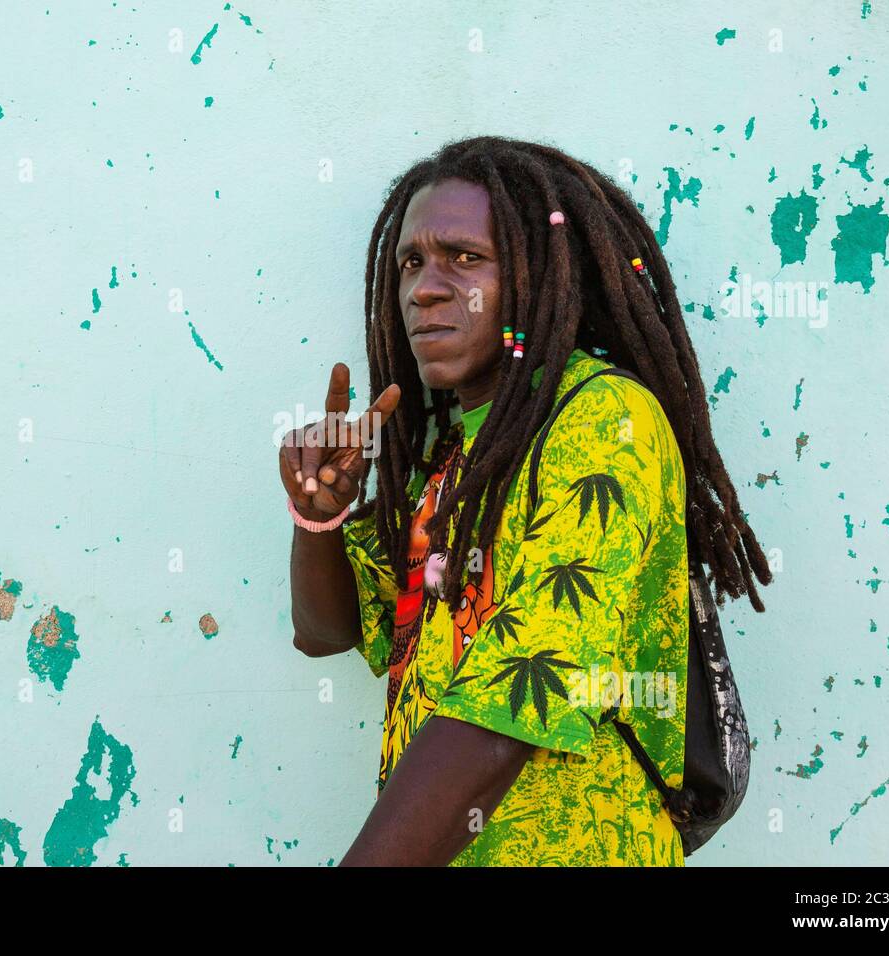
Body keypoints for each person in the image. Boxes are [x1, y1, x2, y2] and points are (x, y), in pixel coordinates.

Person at [279, 135, 772, 866]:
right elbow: (330, 632)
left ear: (540, 281)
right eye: (410, 262)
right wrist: (317, 513)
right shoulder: (450, 451)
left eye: (465, 258)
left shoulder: (605, 421)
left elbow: (515, 701)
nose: (424, 288)